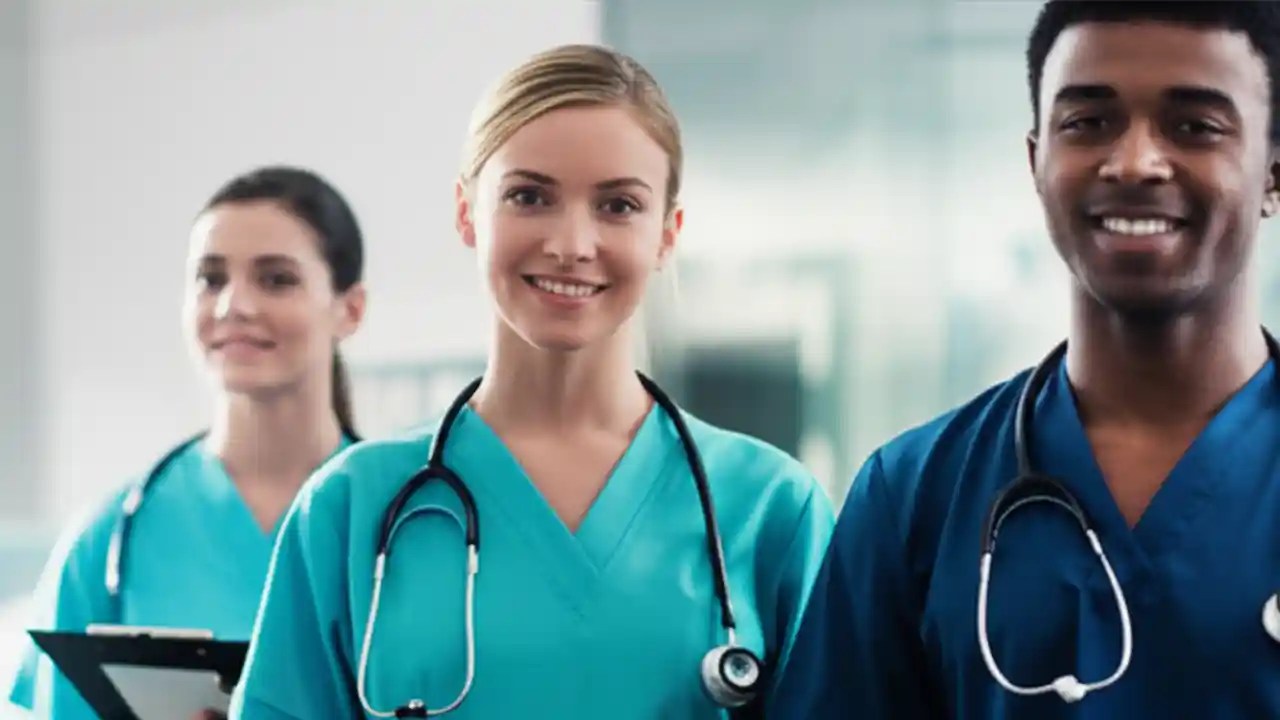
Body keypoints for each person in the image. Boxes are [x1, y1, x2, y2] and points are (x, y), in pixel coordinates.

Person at [228, 44, 835, 720]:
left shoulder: (769, 508)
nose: (572, 242)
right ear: (466, 213)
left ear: (668, 234)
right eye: (529, 196)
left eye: (618, 206)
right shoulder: (351, 508)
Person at [771, 1, 1280, 717]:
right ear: (1036, 161)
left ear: (1273, 172)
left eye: (1194, 126)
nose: (1134, 161)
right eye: (1088, 123)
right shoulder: (915, 496)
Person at [7, 165, 369, 719]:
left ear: (350, 309)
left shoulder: (401, 521)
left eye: (275, 279)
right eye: (210, 278)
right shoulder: (106, 541)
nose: (233, 306)